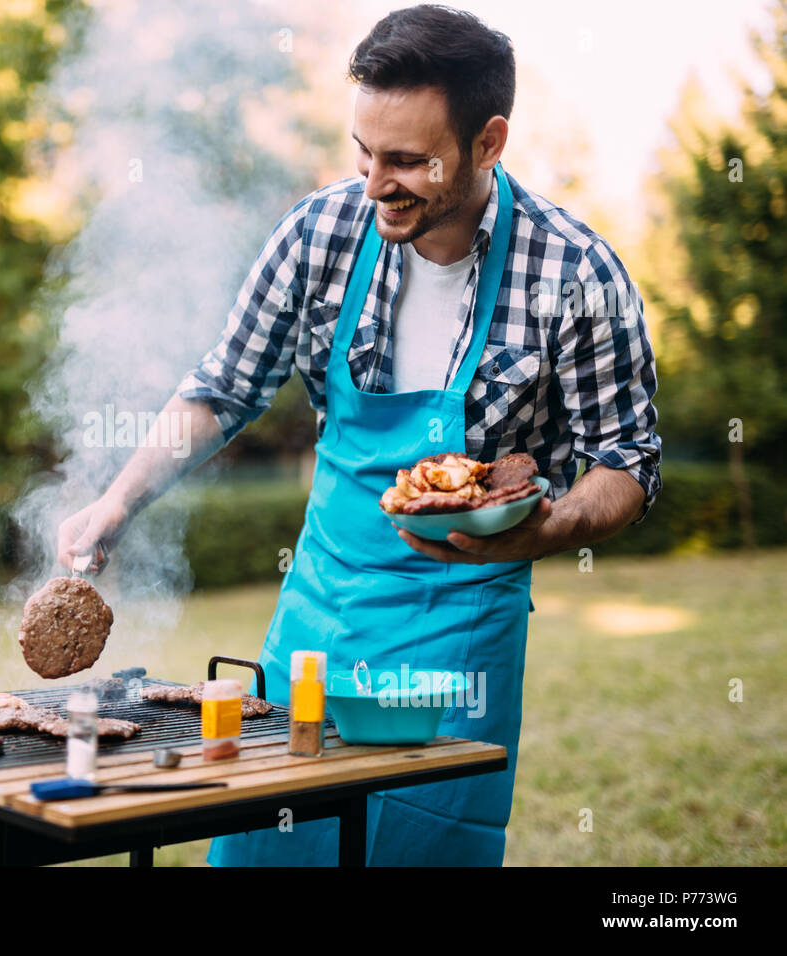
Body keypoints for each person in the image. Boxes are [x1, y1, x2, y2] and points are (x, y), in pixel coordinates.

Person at [55, 3, 661, 866]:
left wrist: (552, 526)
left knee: (418, 845)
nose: (376, 183)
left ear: (489, 143)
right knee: (269, 848)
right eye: (365, 153)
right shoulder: (319, 233)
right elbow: (223, 389)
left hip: (460, 634)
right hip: (317, 620)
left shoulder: (575, 272)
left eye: (409, 160)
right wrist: (114, 502)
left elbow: (628, 459)